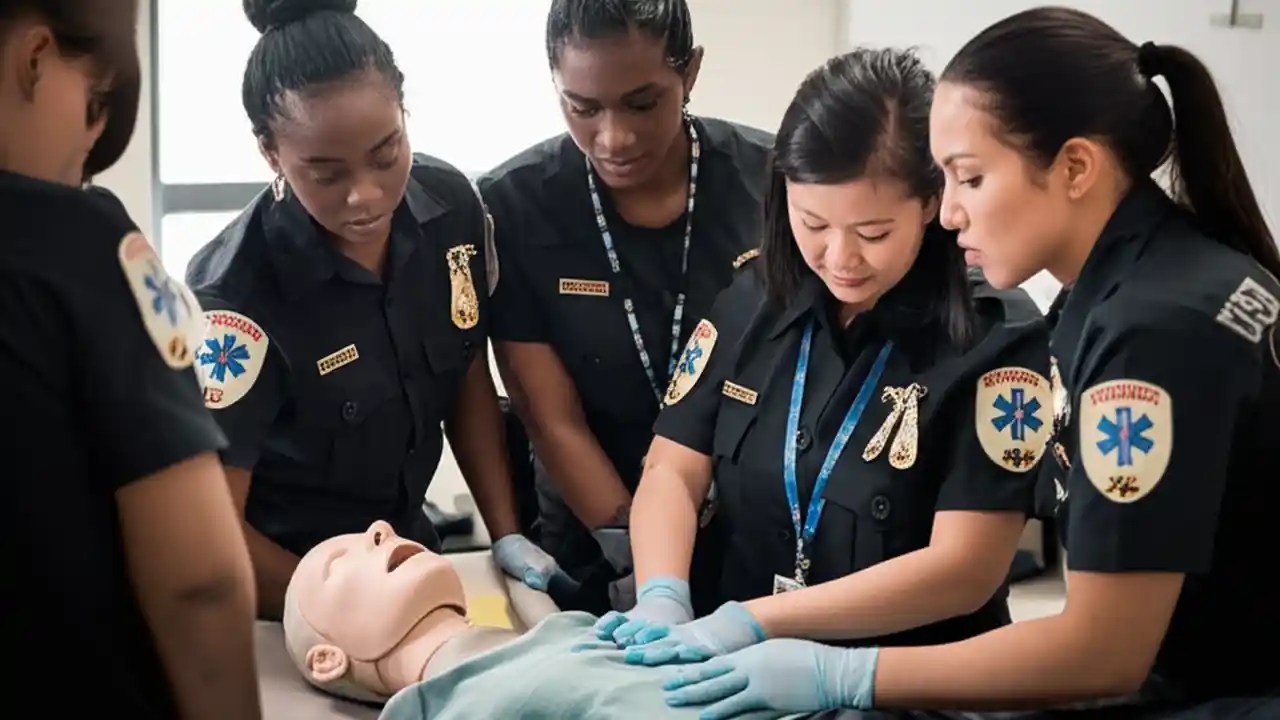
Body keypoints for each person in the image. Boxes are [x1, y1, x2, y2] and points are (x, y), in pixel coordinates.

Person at [657, 8, 1280, 719]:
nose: (948, 214)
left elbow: (1104, 649)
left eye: (970, 179)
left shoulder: (1146, 330)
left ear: (1076, 167)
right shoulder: (1145, 284)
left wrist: (845, 675)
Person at [598, 46, 1053, 677]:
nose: (841, 258)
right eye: (813, 223)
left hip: (906, 684)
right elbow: (673, 468)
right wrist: (663, 594)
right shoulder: (754, 298)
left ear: (930, 202)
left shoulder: (998, 338)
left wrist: (757, 621)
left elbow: (965, 570)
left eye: (872, 233)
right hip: (730, 670)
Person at [186, 0, 557, 621]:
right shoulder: (234, 302)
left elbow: (465, 373)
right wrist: (347, 609)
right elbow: (211, 533)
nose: (366, 195)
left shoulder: (451, 212)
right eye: (325, 174)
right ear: (271, 153)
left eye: (386, 154)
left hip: (411, 567)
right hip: (286, 597)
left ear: (404, 111)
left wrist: (504, 535)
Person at [1, 1, 261, 717]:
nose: (83, 161)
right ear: (34, 60)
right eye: (95, 108)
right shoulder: (80, 245)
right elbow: (200, 581)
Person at [478, 0, 774, 612]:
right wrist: (637, 555)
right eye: (582, 108)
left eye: (642, 104)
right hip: (596, 530)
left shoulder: (772, 184)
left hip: (753, 520)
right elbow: (549, 416)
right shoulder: (517, 204)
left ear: (690, 72)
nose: (613, 138)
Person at [282, 521, 807, 719]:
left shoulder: (552, 634)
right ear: (327, 659)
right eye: (338, 562)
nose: (380, 528)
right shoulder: (452, 708)